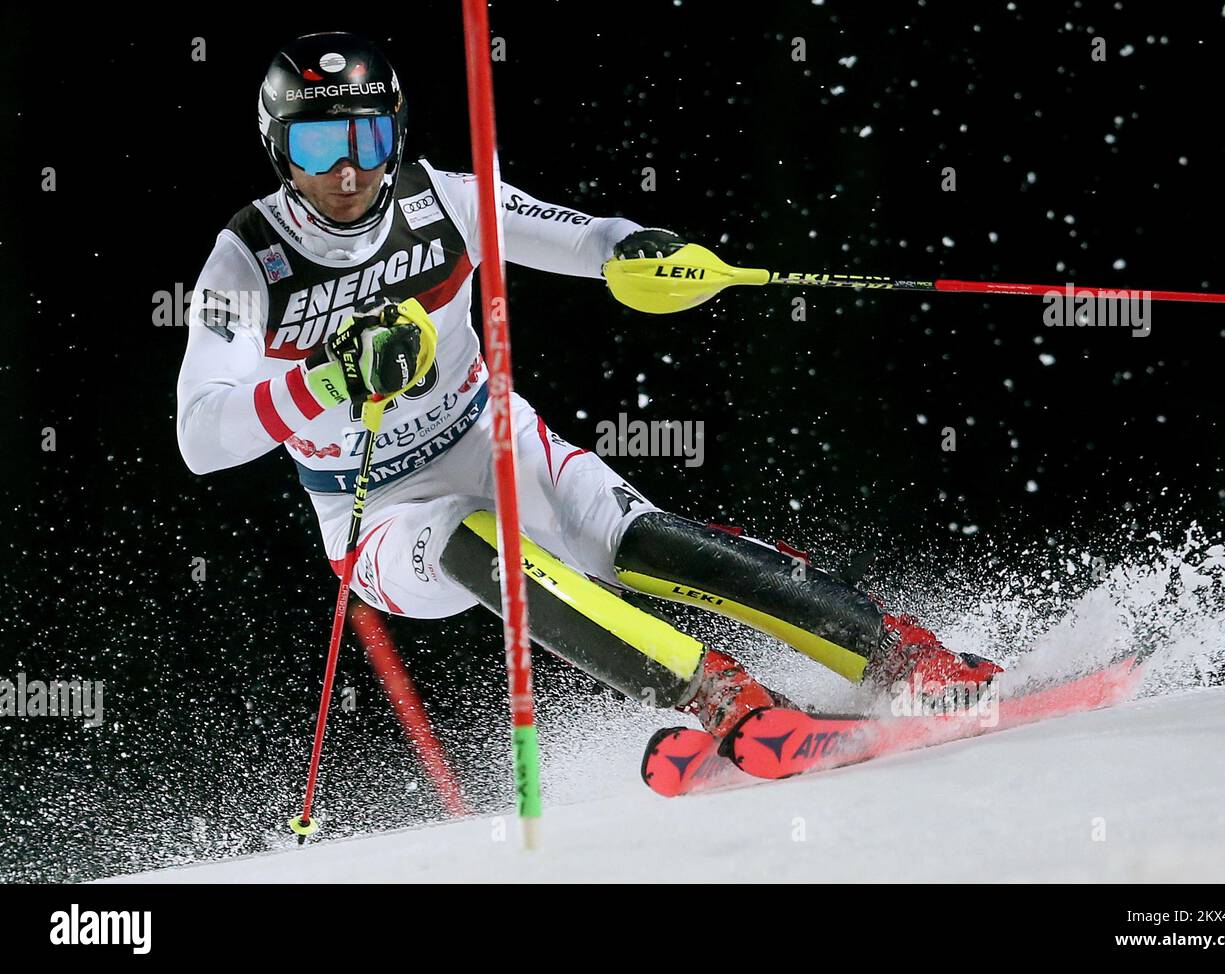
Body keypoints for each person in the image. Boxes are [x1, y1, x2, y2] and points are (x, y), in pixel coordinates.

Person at [176, 31, 1001, 740]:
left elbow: (576, 235)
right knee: (476, 539)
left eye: (367, 139)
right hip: (377, 519)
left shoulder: (445, 201)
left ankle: (906, 659)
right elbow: (201, 437)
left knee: (636, 540)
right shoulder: (246, 261)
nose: (349, 172)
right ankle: (728, 703)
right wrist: (328, 381)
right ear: (279, 149)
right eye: (321, 147)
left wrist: (638, 249)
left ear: (395, 136)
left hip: (490, 441)